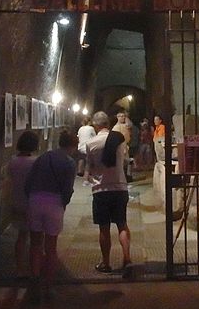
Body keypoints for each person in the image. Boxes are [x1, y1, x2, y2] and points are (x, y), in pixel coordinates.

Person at [24, 128, 78, 297]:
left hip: (35, 199)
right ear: (73, 146)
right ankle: (48, 283)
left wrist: (31, 197)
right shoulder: (69, 162)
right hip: (54, 203)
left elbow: (29, 181)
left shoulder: (44, 157)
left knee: (35, 243)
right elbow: (67, 188)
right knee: (51, 246)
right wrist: (64, 203)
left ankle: (34, 278)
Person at [86, 110, 132, 275]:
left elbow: (90, 168)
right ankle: (127, 259)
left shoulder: (91, 144)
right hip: (120, 187)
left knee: (104, 228)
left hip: (101, 189)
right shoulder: (119, 140)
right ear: (108, 123)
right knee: (122, 224)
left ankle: (106, 263)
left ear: (96, 125)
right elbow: (125, 158)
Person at [8, 130, 39, 276]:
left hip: (17, 201)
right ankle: (35, 269)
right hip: (32, 203)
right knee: (36, 238)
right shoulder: (34, 162)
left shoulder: (13, 161)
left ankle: (19, 268)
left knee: (21, 236)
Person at [112, 110, 133, 182]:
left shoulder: (125, 126)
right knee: (121, 163)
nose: (123, 117)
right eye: (121, 116)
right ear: (118, 117)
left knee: (126, 162)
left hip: (125, 145)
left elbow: (130, 127)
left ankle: (126, 176)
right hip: (120, 146)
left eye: (124, 116)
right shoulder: (115, 127)